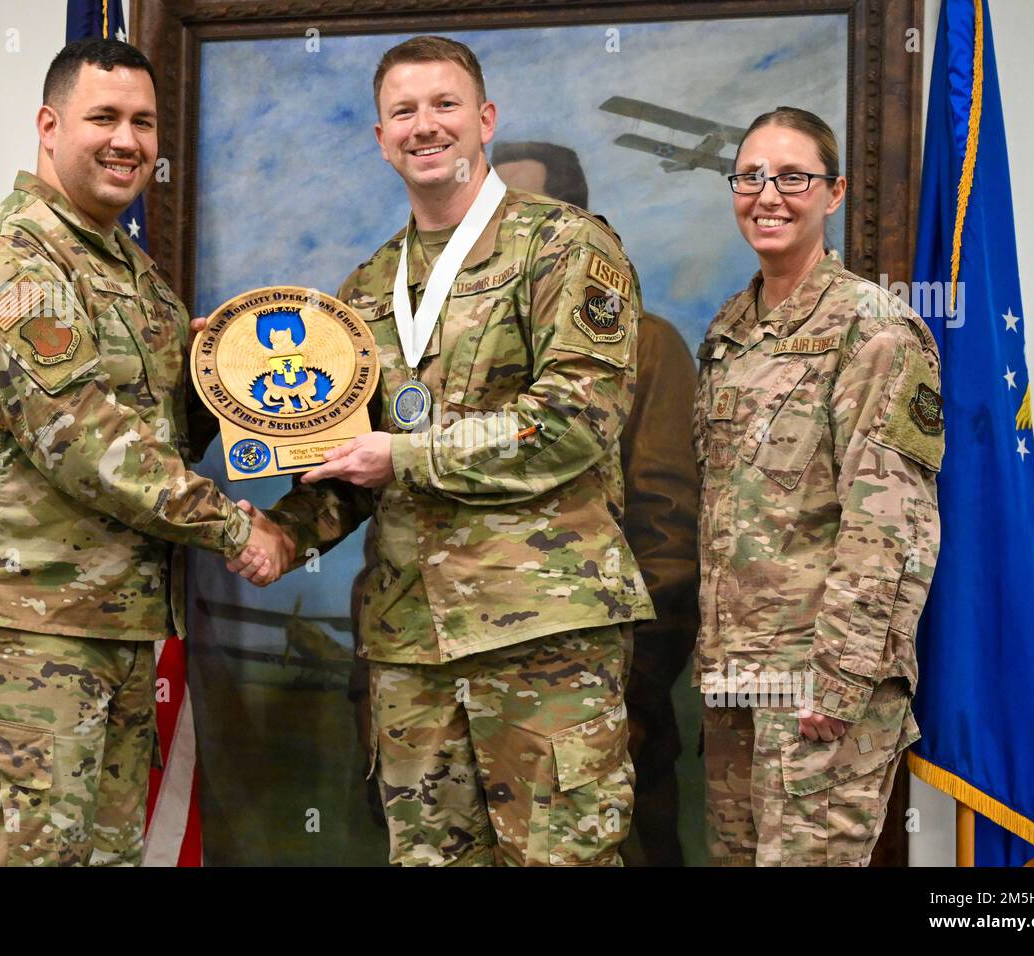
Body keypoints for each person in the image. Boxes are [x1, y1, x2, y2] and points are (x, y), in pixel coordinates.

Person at [227, 36, 655, 866]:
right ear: (381, 137)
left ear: (485, 119)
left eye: (445, 105)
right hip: (409, 649)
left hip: (542, 638)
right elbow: (345, 462)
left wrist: (408, 457)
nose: (426, 126)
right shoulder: (362, 290)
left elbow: (575, 420)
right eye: (404, 112)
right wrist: (284, 535)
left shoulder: (563, 247)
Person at [0, 38, 279, 867]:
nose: (127, 141)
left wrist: (241, 382)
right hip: (17, 630)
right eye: (103, 118)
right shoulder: (19, 261)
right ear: (49, 126)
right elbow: (82, 440)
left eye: (143, 122)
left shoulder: (133, 275)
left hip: (111, 627)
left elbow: (160, 436)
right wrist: (234, 528)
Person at [694, 106, 944, 866]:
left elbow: (891, 530)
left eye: (793, 178)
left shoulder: (873, 332)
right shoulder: (731, 330)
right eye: (750, 178)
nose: (768, 196)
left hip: (818, 690)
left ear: (833, 195)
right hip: (739, 683)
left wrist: (836, 688)